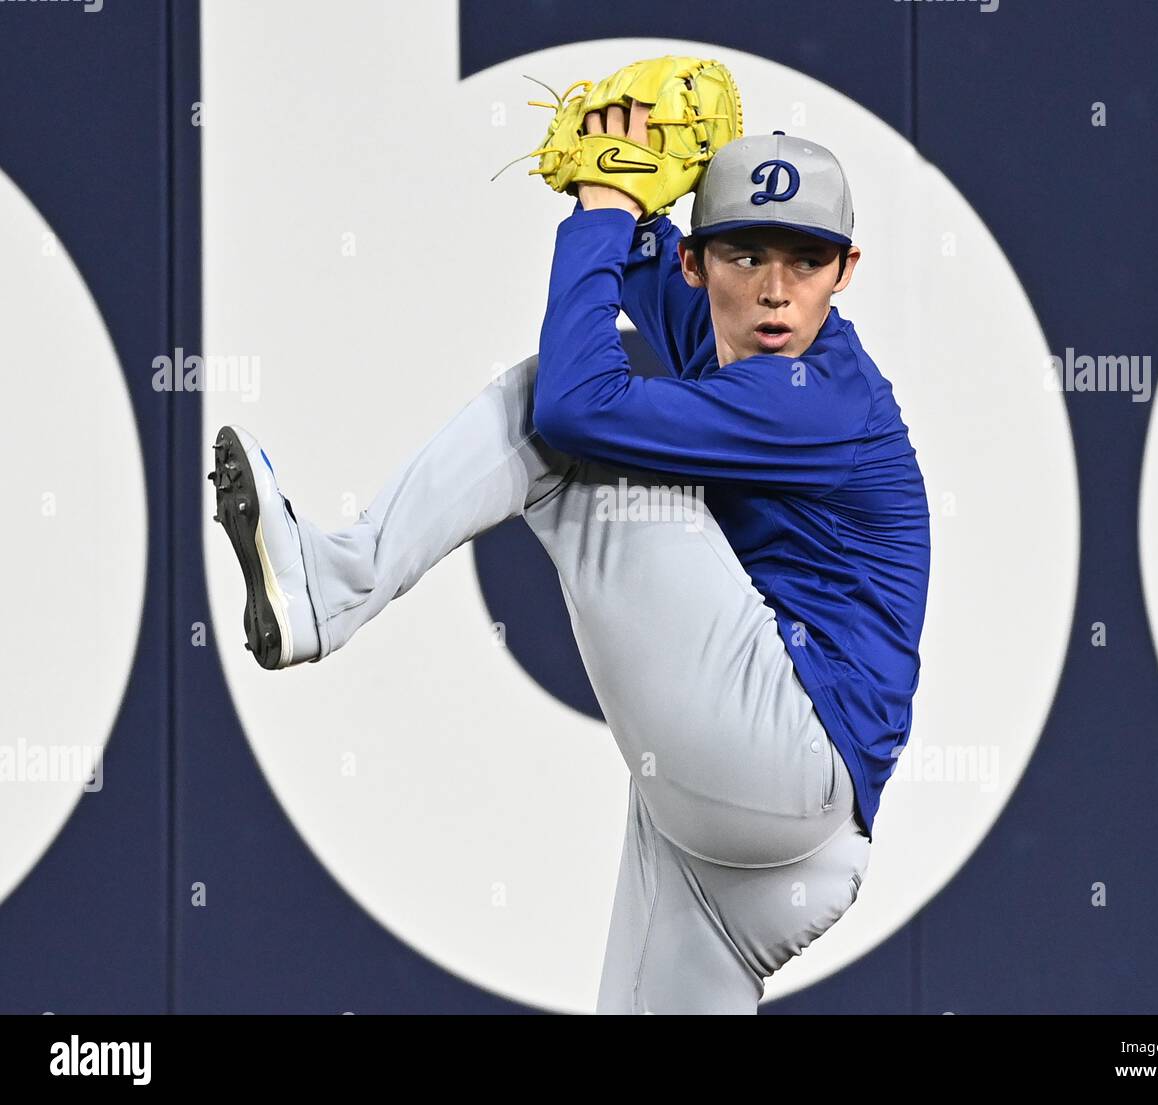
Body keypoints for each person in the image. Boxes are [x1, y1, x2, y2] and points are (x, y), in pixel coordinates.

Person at [208, 107, 930, 1014]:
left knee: (561, 394)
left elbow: (576, 406)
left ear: (845, 272)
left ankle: (331, 586)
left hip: (784, 753)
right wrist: (620, 195)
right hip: (761, 848)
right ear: (699, 265)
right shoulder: (733, 333)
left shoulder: (821, 399)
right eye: (747, 256)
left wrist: (601, 206)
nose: (775, 291)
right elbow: (638, 264)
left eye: (806, 259)